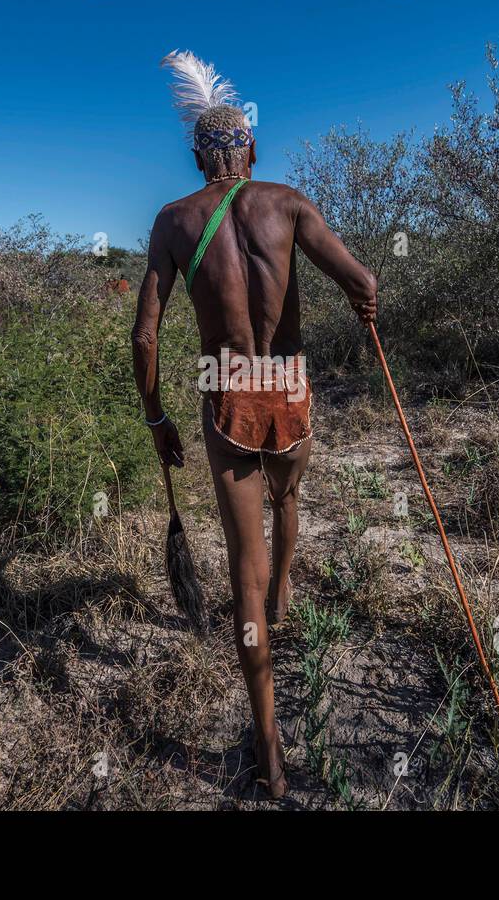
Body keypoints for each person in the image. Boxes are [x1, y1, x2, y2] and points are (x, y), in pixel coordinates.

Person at [132, 51, 377, 798]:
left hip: (226, 392)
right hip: (289, 387)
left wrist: (158, 414)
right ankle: (286, 594)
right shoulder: (289, 201)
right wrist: (367, 309)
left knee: (243, 563)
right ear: (252, 152)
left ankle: (267, 753)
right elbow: (361, 280)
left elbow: (145, 336)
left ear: (197, 156)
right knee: (288, 500)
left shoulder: (174, 220)